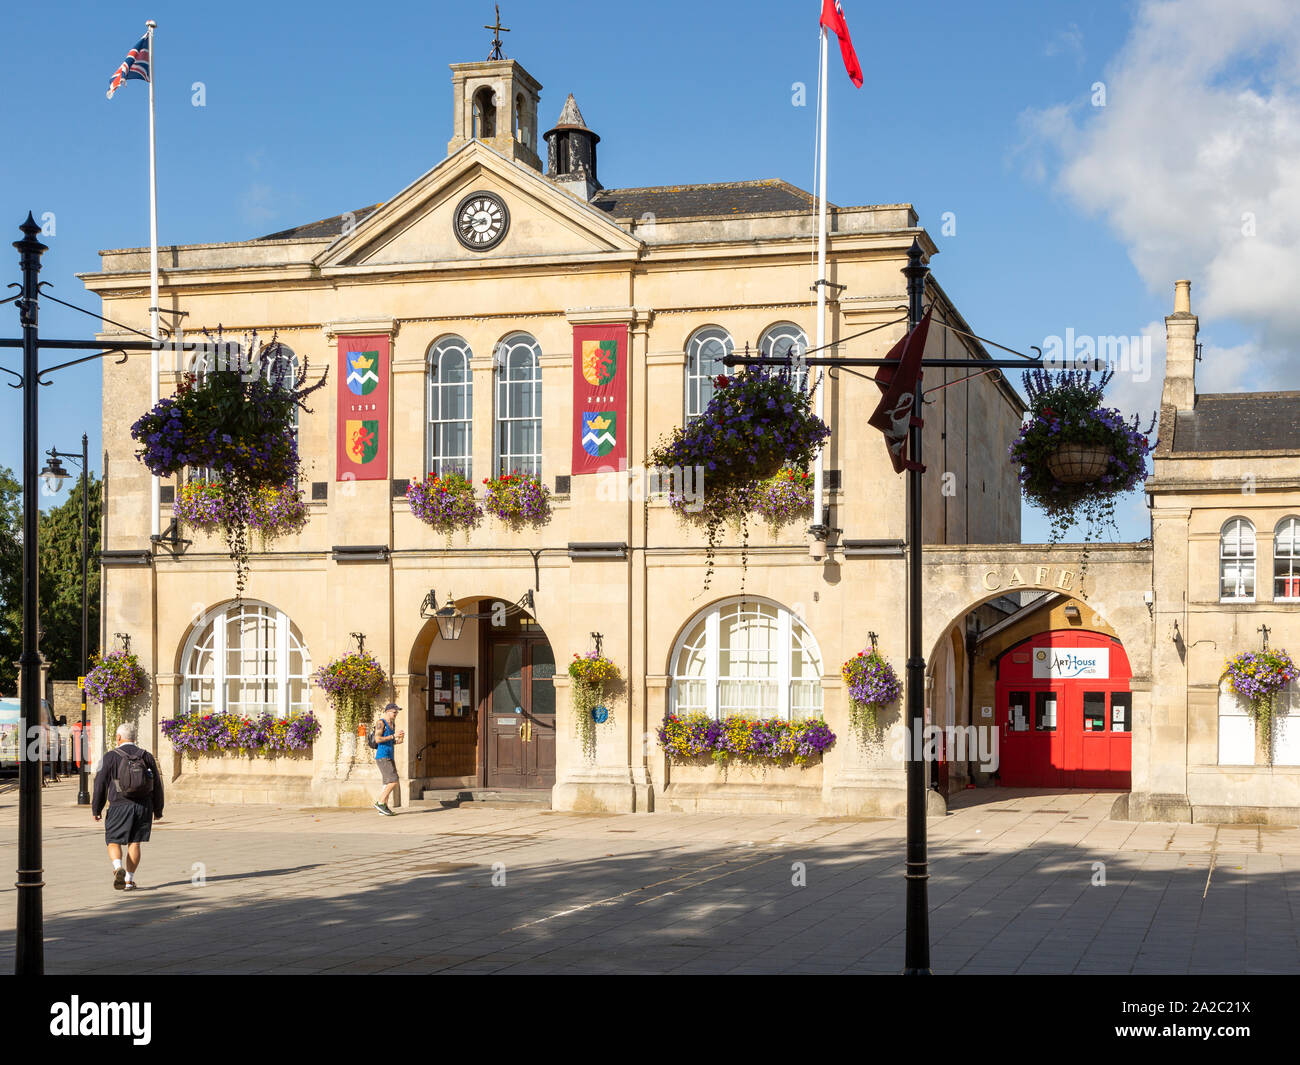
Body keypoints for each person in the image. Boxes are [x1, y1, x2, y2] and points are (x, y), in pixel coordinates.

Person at [92, 722, 164, 891]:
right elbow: (157, 785)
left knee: (113, 840)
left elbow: (100, 784)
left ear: (118, 737)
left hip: (119, 805)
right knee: (135, 843)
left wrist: (97, 808)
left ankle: (117, 868)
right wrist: (158, 809)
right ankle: (129, 881)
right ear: (134, 737)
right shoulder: (146, 756)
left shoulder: (110, 757)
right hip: (143, 806)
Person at [372, 702, 404, 816]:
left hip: (390, 756)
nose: (396, 714)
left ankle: (383, 808)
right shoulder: (381, 723)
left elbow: (393, 741)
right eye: (394, 712)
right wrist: (393, 736)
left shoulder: (392, 725)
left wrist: (400, 738)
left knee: (387, 783)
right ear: (387, 711)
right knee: (393, 780)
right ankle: (380, 802)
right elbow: (378, 739)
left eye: (397, 712)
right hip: (382, 756)